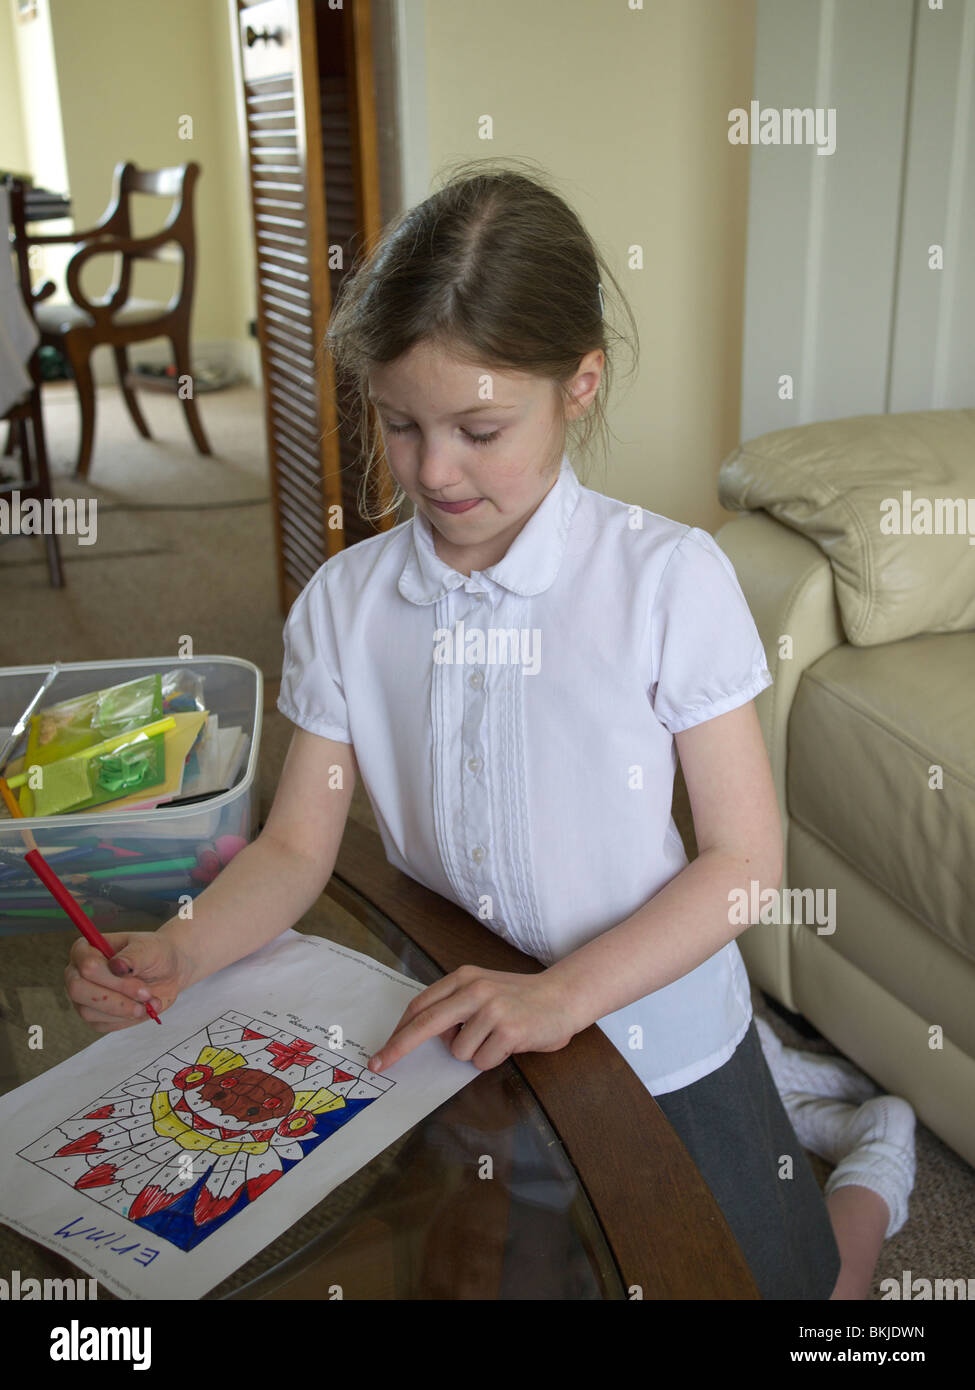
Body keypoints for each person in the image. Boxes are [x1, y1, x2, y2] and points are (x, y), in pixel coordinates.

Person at [64, 159, 915, 1301]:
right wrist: (185, 944)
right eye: (400, 423)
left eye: (479, 426)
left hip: (659, 1030)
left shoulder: (669, 580)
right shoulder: (344, 604)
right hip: (477, 1034)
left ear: (581, 384)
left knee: (810, 1297)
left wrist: (563, 995)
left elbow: (743, 864)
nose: (432, 469)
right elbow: (292, 848)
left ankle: (869, 1157)